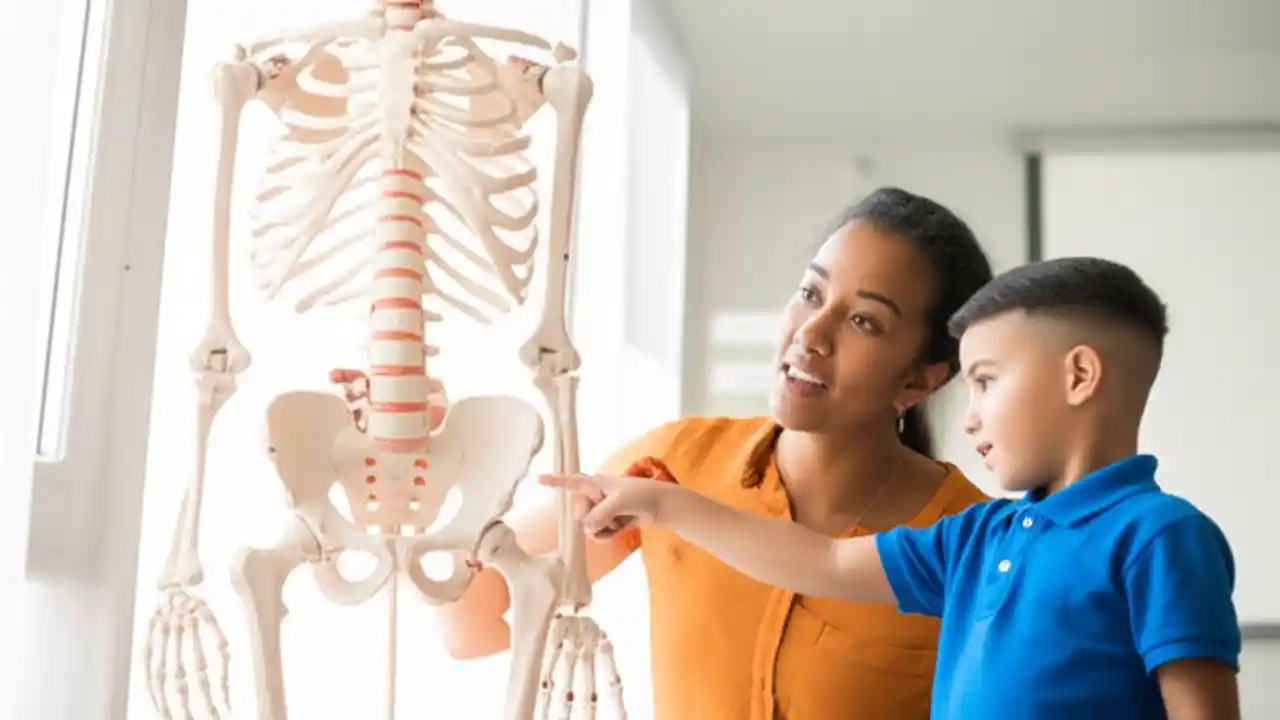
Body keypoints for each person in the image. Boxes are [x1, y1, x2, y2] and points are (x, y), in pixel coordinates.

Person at [546, 256, 1243, 719]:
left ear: (1080, 376)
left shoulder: (1160, 536)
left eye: (987, 382)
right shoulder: (980, 538)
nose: (969, 416)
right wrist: (664, 504)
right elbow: (821, 561)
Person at [436, 187, 996, 718]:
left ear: (920, 380)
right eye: (810, 294)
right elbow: (472, 619)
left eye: (863, 322)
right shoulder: (673, 466)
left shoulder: (975, 546)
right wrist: (441, 459)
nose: (811, 335)